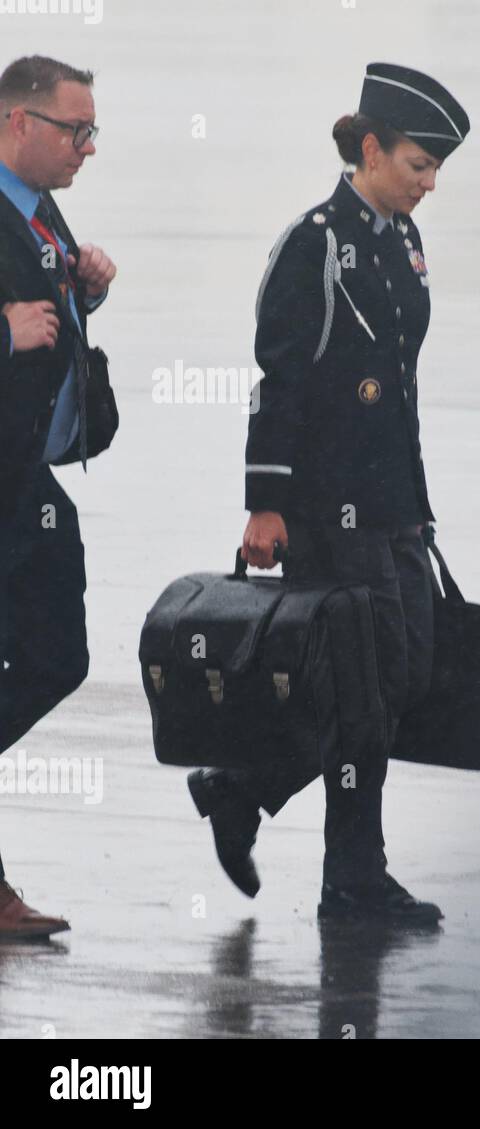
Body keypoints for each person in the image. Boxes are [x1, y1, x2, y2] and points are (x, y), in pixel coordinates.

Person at [187, 62, 470, 928]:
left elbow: (399, 382)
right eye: (418, 165)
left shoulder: (402, 243)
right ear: (372, 148)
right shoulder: (315, 243)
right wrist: (265, 504)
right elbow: (280, 381)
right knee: (365, 690)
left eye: (436, 172)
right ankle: (352, 880)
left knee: (403, 675)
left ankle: (242, 787)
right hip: (324, 506)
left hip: (394, 504)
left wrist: (417, 506)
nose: (428, 185)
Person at [0, 56, 117, 940]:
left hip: (29, 479)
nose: (86, 146)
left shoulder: (38, 205)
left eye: (90, 131)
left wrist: (83, 292)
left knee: (59, 657)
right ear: (18, 124)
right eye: (74, 130)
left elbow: (43, 314)